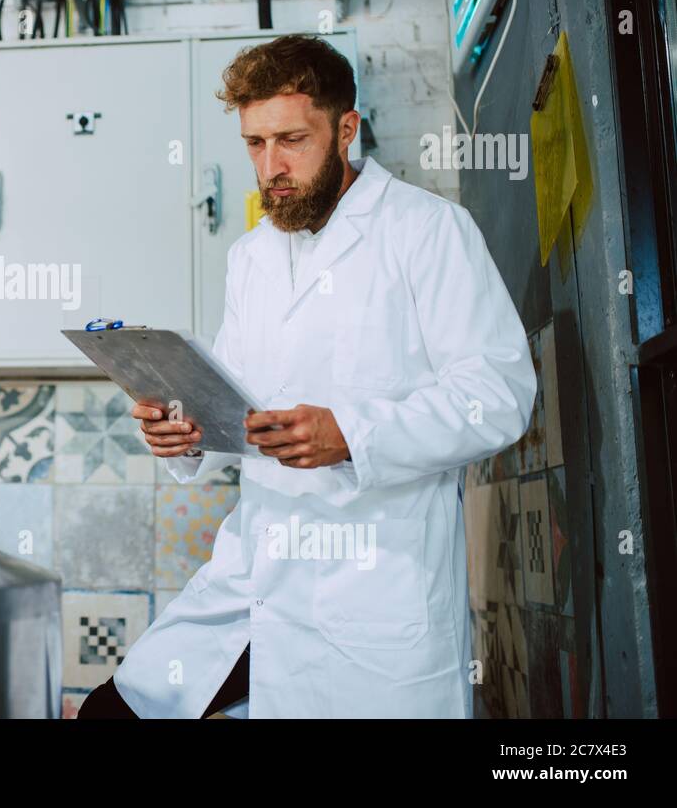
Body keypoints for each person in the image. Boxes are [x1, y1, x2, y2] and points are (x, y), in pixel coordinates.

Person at [77, 35, 535, 719]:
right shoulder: (252, 258)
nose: (271, 166)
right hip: (254, 582)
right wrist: (187, 432)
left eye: (290, 138)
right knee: (111, 713)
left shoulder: (427, 231)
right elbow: (236, 404)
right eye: (255, 143)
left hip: (372, 598)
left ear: (346, 129)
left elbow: (499, 396)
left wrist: (350, 433)